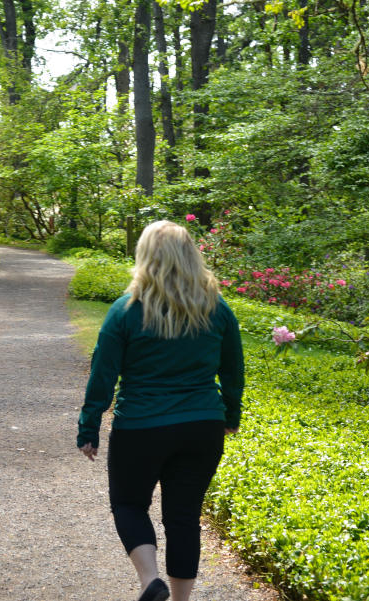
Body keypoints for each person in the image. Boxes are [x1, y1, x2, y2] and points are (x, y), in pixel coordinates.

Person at [77, 220, 244, 601]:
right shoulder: (217, 309)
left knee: (128, 503)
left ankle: (151, 581)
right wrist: (230, 416)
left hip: (141, 426)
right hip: (202, 425)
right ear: (191, 257)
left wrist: (89, 427)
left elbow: (103, 375)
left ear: (145, 256)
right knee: (183, 517)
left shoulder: (125, 310)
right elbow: (233, 371)